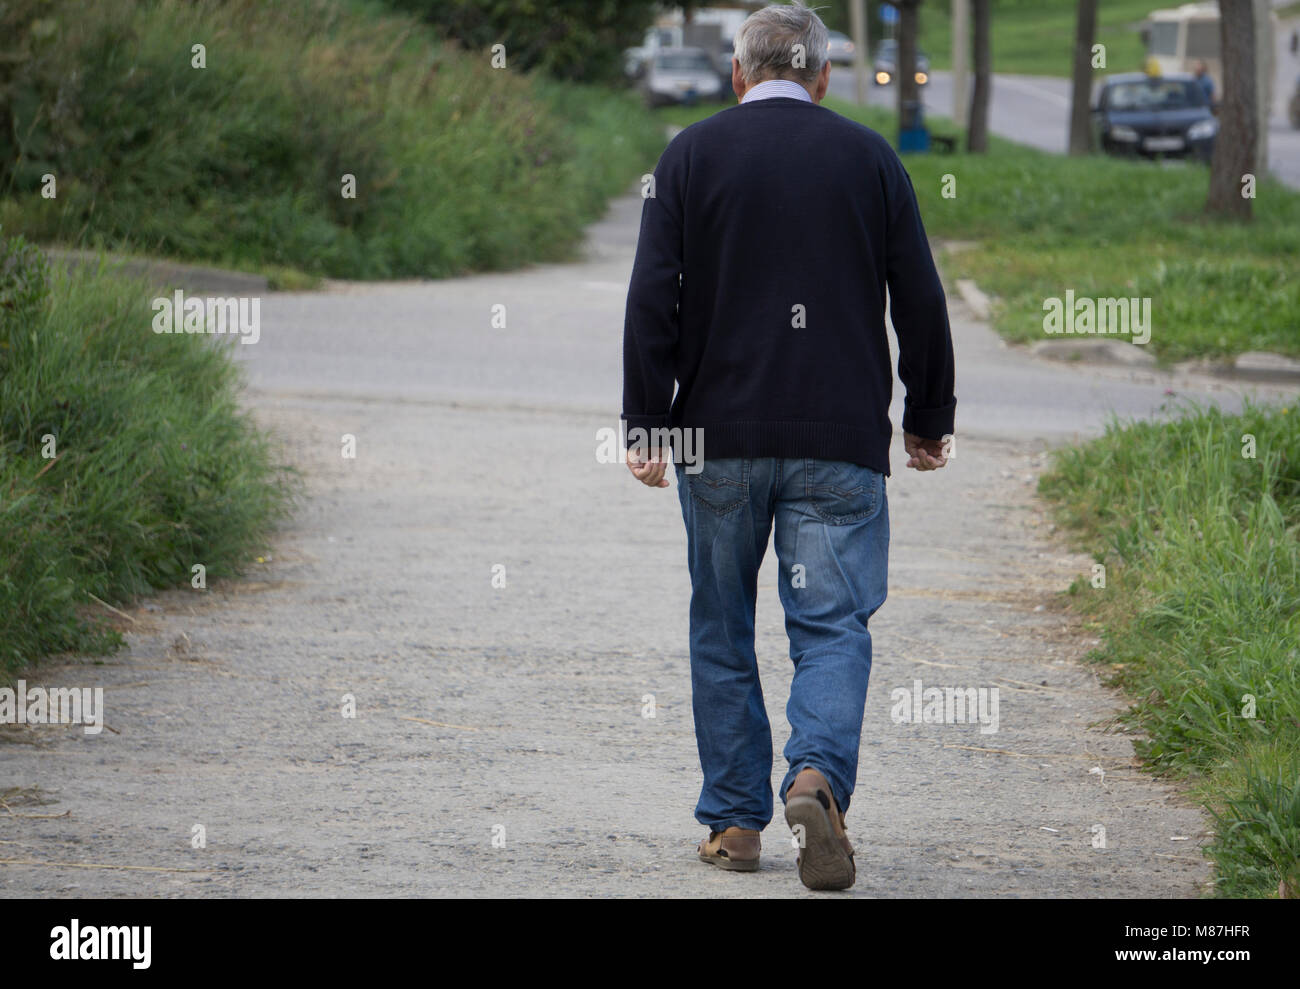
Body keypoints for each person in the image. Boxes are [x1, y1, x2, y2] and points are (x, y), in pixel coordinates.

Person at [620, 2, 955, 891]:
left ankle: (734, 823)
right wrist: (927, 416)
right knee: (833, 627)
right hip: (839, 441)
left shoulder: (690, 155)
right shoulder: (869, 159)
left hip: (718, 438)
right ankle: (815, 777)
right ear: (823, 78)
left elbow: (653, 298)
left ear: (738, 75)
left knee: (721, 619)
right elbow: (919, 299)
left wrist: (648, 422)